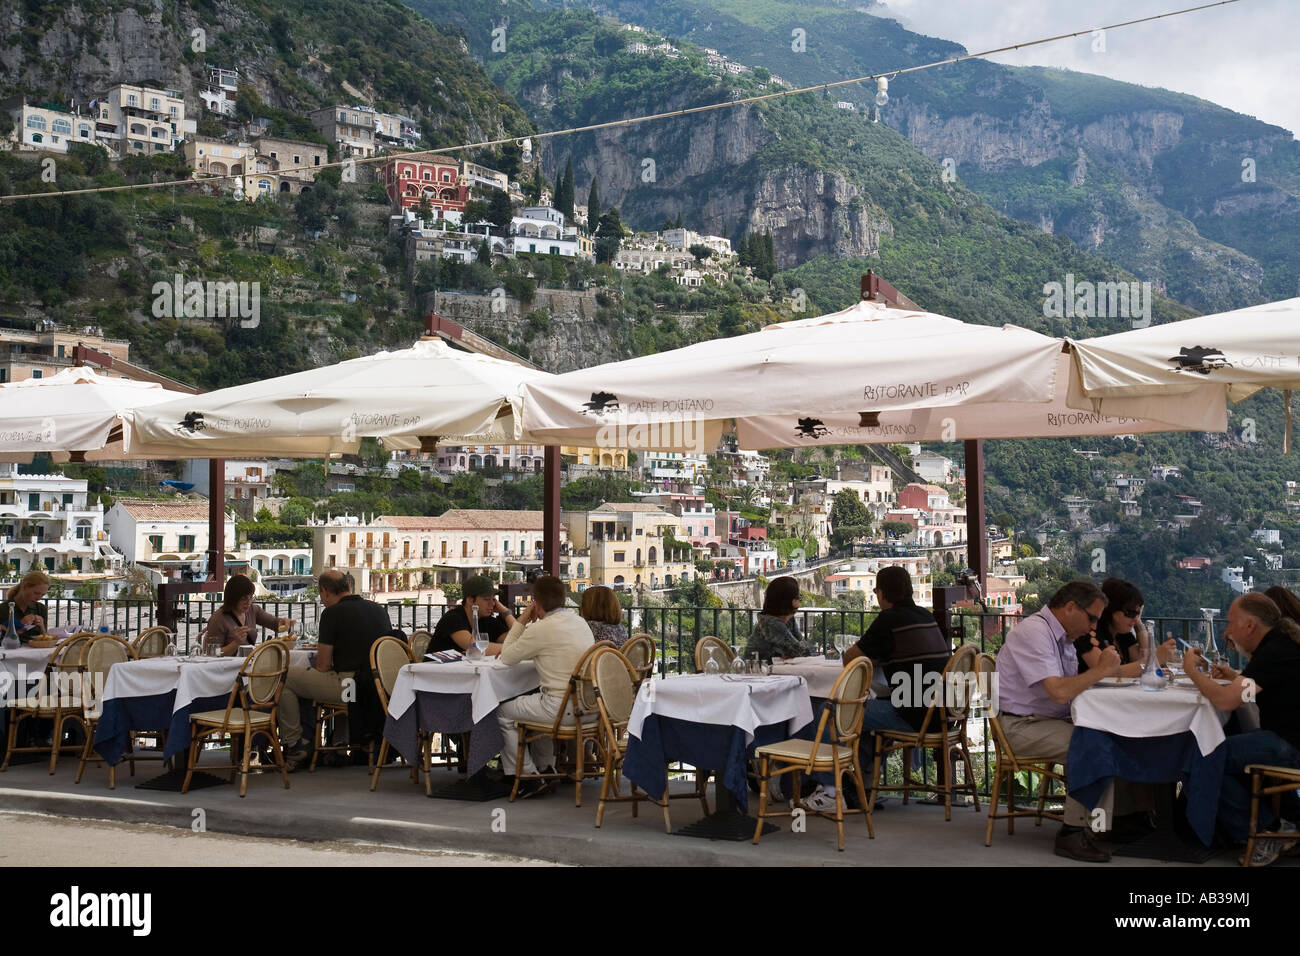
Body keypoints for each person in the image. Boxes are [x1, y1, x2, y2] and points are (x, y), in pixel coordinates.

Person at [996, 579, 1150, 863]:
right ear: (1069, 608)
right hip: (1021, 726)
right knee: (1091, 747)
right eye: (1092, 618)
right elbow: (1058, 691)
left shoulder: (1062, 637)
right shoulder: (1034, 632)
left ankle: (1115, 822)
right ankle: (1073, 832)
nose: (1094, 627)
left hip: (1049, 720)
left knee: (1116, 737)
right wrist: (1102, 670)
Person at [1184, 592, 1300, 865]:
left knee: (1203, 754)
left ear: (1250, 625)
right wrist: (1237, 677)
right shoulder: (1281, 646)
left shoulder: (1274, 651)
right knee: (1224, 743)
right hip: (1288, 737)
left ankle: (1263, 832)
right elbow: (1264, 687)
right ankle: (1287, 820)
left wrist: (1193, 672)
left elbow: (1226, 701)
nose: (1228, 630)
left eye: (1231, 622)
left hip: (1289, 743)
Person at [486, 576, 593, 797]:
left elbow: (506, 656)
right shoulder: (579, 622)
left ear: (536, 603)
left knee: (502, 712)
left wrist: (522, 620)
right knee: (535, 703)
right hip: (590, 707)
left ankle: (526, 776)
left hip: (562, 709)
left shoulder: (541, 629)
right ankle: (545, 767)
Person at [280, 570, 393, 771]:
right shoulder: (378, 609)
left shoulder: (332, 614)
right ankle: (337, 744)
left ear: (324, 591)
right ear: (348, 586)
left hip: (350, 688)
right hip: (380, 688)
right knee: (328, 678)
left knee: (284, 677)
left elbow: (323, 666)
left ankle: (295, 743)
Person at [1076, 577, 1173, 674]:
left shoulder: (1122, 634)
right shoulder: (1089, 633)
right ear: (1111, 609)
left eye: (1137, 613)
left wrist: (1138, 624)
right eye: (1130, 613)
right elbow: (1105, 673)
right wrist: (1154, 660)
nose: (1134, 618)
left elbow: (1142, 656)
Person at [201, 574, 293, 656]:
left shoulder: (253, 610)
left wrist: (284, 622)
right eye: (244, 598)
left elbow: (273, 623)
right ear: (233, 598)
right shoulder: (219, 619)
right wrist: (235, 643)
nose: (248, 602)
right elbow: (211, 653)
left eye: (251, 597)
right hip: (225, 669)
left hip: (248, 664)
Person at [428, 575, 515, 654]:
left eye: (494, 599)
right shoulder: (453, 618)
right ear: (470, 600)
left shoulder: (486, 620)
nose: (493, 604)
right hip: (435, 670)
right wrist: (516, 648)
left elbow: (518, 639)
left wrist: (505, 612)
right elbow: (475, 648)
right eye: (487, 599)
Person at [745, 576, 817, 662]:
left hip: (776, 670)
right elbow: (802, 652)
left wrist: (791, 654)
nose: (800, 600)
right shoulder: (771, 623)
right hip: (757, 671)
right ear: (790, 600)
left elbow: (806, 648)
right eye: (798, 597)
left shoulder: (789, 620)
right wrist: (792, 653)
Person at [3, 570, 49, 638]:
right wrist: (20, 625)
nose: (39, 598)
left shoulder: (41, 609)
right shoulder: (3, 609)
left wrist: (42, 628)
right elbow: (3, 639)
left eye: (42, 595)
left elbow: (45, 639)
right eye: (36, 593)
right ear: (24, 586)